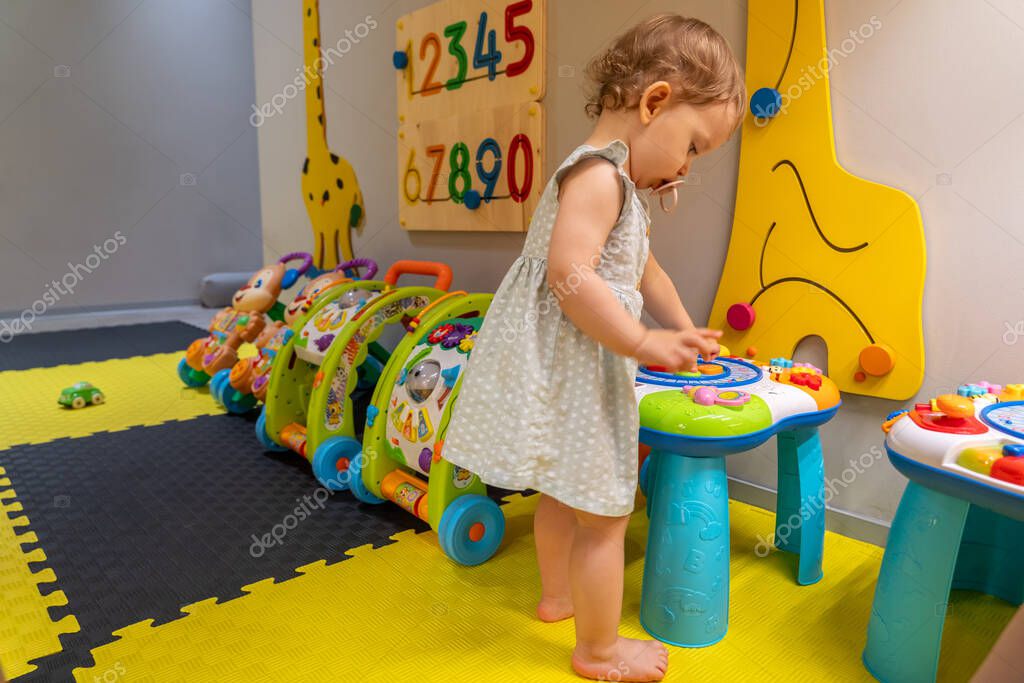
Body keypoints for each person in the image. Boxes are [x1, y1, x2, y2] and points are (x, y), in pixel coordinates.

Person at [444, 13, 745, 681]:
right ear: (655, 101)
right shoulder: (600, 178)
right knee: (607, 516)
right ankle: (599, 649)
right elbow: (568, 273)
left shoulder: (620, 188)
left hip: (571, 367)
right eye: (693, 146)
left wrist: (685, 327)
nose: (688, 167)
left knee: (559, 492)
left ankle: (556, 597)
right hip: (579, 366)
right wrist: (640, 338)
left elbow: (648, 273)